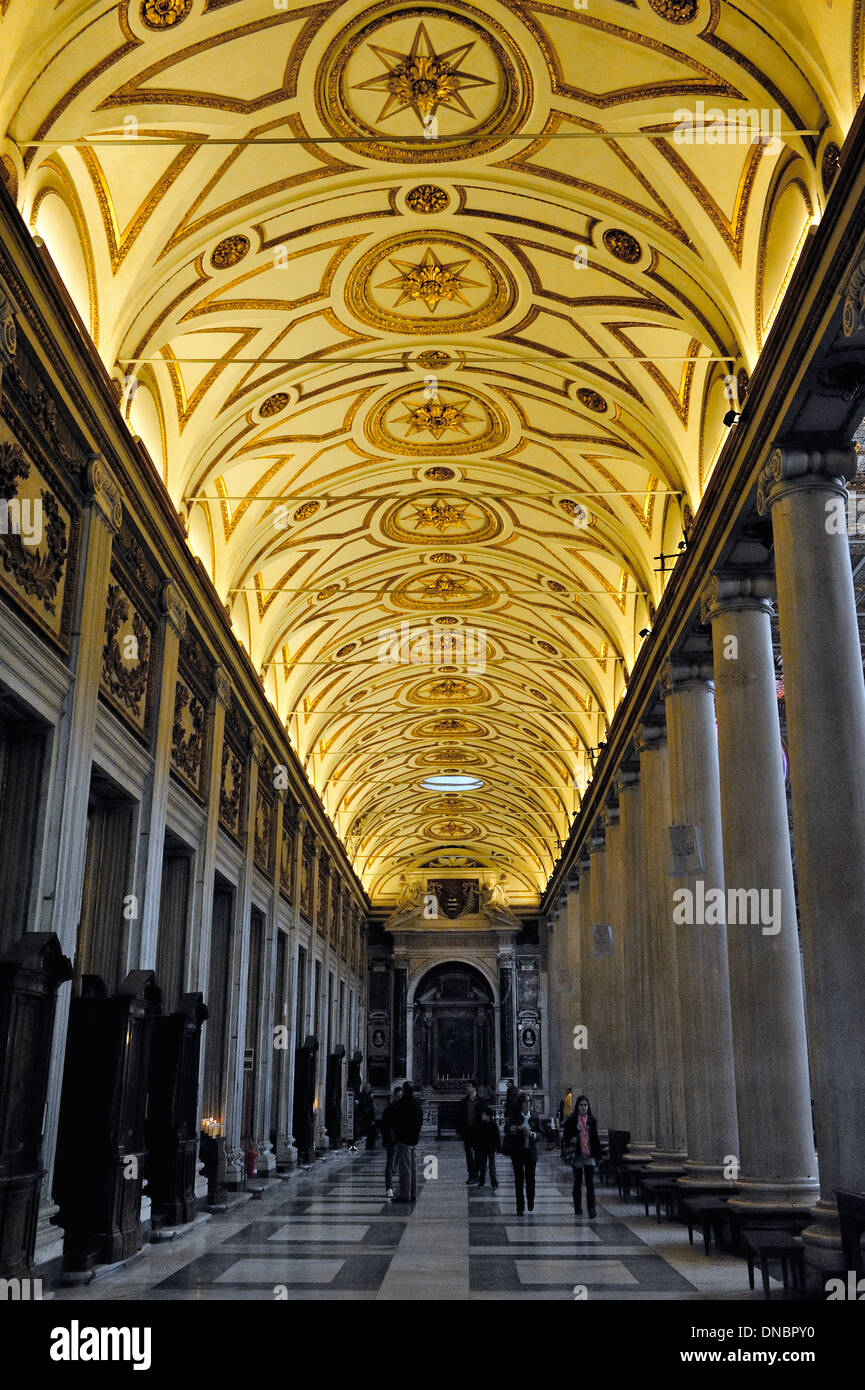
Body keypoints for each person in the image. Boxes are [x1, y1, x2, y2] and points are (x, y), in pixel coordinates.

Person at [563, 1093, 601, 1218]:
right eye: (581, 1105)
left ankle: (591, 1208)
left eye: (585, 1105)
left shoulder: (592, 1120)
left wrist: (598, 1156)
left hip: (589, 1155)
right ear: (577, 1106)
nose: (583, 1107)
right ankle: (578, 1207)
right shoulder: (572, 1120)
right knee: (578, 1182)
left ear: (588, 1106)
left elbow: (595, 1138)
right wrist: (571, 1140)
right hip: (577, 1155)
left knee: (590, 1182)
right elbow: (565, 1137)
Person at [506, 1091, 539, 1215]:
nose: (527, 1104)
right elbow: (507, 1128)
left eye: (529, 1101)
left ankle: (530, 1200)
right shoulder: (515, 1115)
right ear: (520, 1103)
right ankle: (520, 1206)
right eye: (525, 1102)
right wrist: (518, 1128)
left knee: (530, 1179)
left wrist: (533, 1134)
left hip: (531, 1152)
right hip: (517, 1151)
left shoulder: (534, 1116)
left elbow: (540, 1133)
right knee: (519, 1179)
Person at [390, 1081, 424, 1204]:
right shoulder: (416, 1104)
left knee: (404, 1168)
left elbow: (395, 1120)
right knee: (413, 1167)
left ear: (404, 1091)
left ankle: (405, 1195)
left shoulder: (402, 1104)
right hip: (414, 1139)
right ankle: (413, 1193)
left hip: (403, 1139)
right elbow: (420, 1121)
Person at [455, 1079, 481, 1184]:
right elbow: (459, 1117)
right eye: (466, 1086)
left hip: (478, 1132)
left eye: (469, 1086)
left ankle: (477, 1174)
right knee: (469, 1155)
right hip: (467, 1131)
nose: (467, 1088)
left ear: (474, 1087)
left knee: (478, 1154)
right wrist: (459, 1131)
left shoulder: (481, 1101)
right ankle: (471, 1175)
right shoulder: (463, 1102)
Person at [380, 1085, 402, 1199]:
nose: (399, 1098)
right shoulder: (389, 1109)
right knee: (390, 1165)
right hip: (393, 1141)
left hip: (401, 1141)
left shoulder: (404, 1109)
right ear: (394, 1096)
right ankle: (389, 1188)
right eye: (398, 1096)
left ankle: (400, 1188)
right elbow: (384, 1126)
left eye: (401, 1096)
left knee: (398, 1166)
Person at [475, 1106, 500, 1189]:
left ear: (488, 1116)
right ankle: (482, 1181)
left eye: (483, 1115)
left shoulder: (493, 1125)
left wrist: (498, 1148)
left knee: (491, 1166)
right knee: (482, 1166)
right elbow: (477, 1137)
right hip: (482, 1148)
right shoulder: (480, 1124)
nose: (482, 1116)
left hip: (491, 1148)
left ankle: (494, 1182)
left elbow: (497, 1138)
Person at [357, 1082, 376, 1151]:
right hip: (367, 1118)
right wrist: (370, 1119)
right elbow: (366, 1108)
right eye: (368, 1087)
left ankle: (370, 1145)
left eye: (370, 1087)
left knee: (371, 1132)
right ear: (365, 1088)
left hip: (368, 1117)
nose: (369, 1089)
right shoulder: (363, 1096)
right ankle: (369, 1146)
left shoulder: (367, 1095)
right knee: (370, 1132)